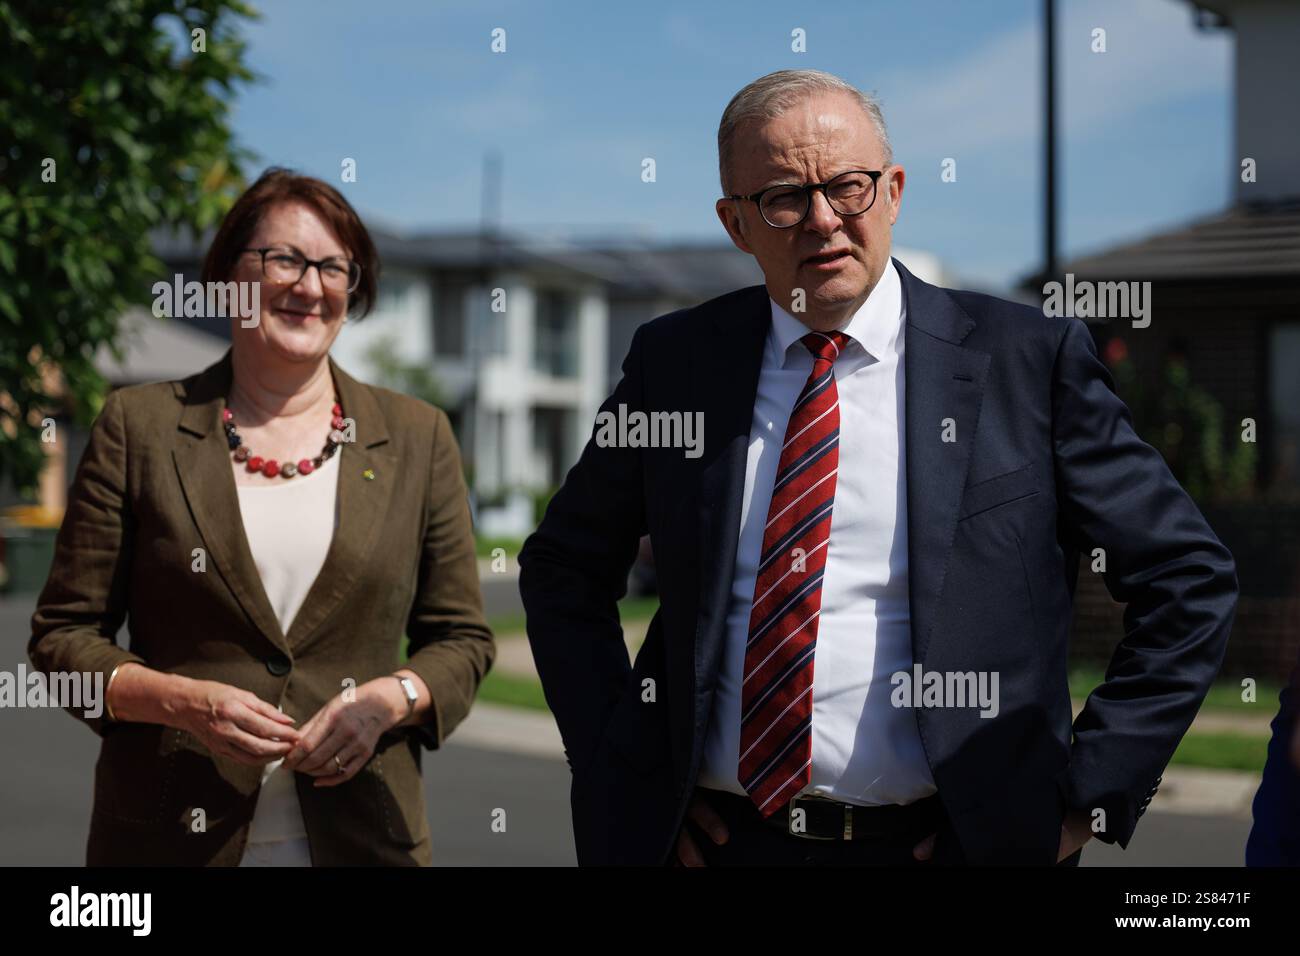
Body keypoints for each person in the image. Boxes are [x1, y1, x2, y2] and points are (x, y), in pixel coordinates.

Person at [518, 70, 1239, 866]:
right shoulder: (677, 362)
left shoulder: (1025, 361)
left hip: (954, 846)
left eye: (849, 187)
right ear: (735, 223)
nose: (823, 221)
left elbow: (1187, 578)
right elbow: (563, 567)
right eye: (784, 198)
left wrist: (1083, 800)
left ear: (892, 191)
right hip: (719, 844)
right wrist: (620, 768)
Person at [28, 168, 494, 866]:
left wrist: (393, 699)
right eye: (284, 259)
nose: (309, 286)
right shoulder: (140, 426)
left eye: (334, 266)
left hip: (366, 839)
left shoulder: (418, 435)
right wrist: (183, 704)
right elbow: (62, 640)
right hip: (169, 839)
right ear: (227, 276)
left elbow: (462, 639)